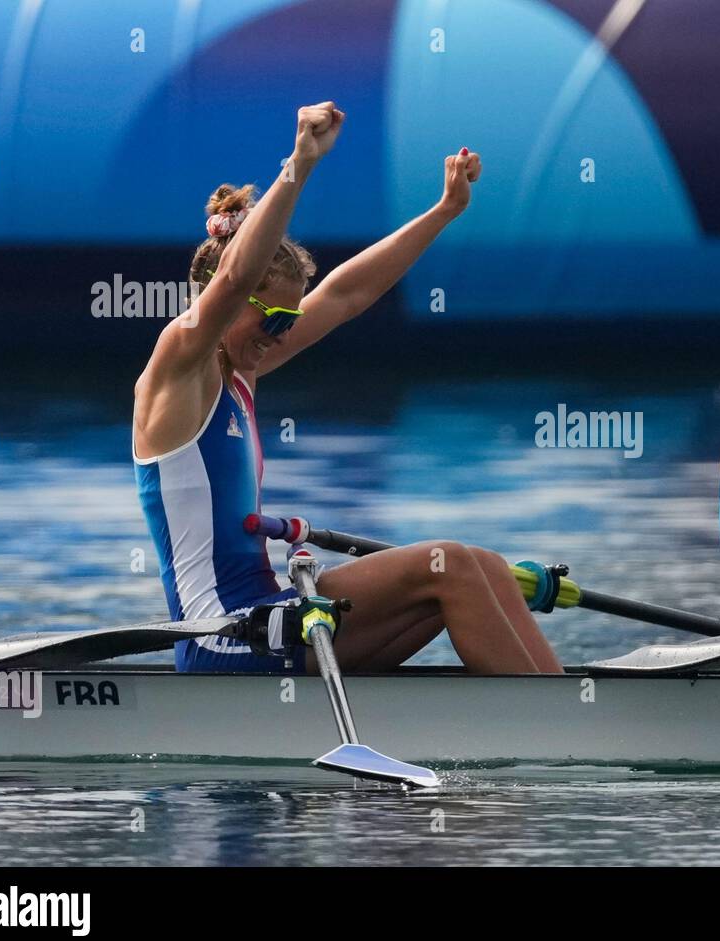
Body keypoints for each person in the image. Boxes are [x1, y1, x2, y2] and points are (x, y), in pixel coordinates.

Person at [133, 101, 561, 676]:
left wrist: (444, 211)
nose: (281, 333)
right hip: (223, 640)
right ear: (225, 301)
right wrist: (300, 164)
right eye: (272, 318)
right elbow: (235, 278)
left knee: (480, 564)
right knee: (450, 564)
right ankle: (553, 734)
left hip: (274, 619)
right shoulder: (178, 364)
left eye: (289, 319)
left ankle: (557, 706)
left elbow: (344, 296)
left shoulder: (241, 370)